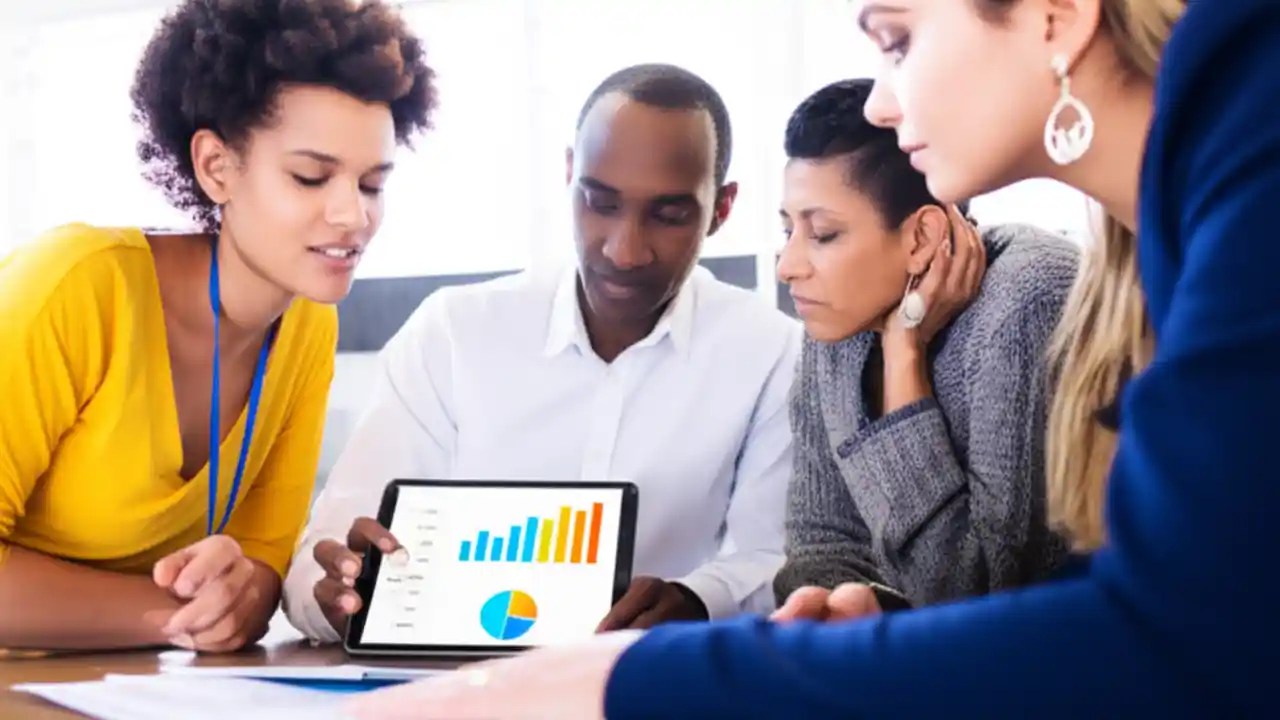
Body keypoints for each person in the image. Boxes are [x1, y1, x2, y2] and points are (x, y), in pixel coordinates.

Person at [346, 0, 1280, 717]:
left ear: (1058, 15)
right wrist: (883, 629)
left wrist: (622, 684)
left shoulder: (1252, 106)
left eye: (898, 37)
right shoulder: (1163, 232)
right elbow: (1136, 601)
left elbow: (1184, 644)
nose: (880, 96)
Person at [282, 63, 802, 643]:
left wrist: (696, 600)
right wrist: (331, 597)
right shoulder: (453, 333)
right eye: (600, 202)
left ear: (721, 209)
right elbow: (319, 562)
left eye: (669, 215)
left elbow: (773, 560)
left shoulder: (771, 353)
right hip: (462, 688)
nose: (624, 250)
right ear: (569, 175)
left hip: (649, 680)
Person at [0, 0, 434, 654]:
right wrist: (170, 616)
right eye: (311, 177)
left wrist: (243, 595)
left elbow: (261, 566)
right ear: (215, 167)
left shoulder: (306, 320)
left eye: (372, 184)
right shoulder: (75, 287)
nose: (353, 216)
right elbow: (202, 613)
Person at [771, 78, 1076, 619]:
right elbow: (819, 545)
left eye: (821, 235)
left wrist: (904, 355)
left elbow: (989, 595)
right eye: (788, 229)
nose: (787, 266)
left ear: (920, 239)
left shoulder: (1030, 301)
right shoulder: (836, 315)